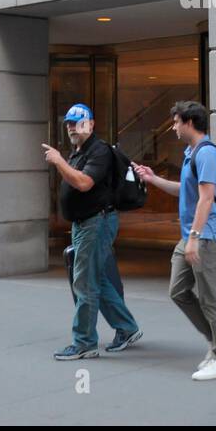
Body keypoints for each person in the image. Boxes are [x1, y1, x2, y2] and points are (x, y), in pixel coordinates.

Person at [133, 100, 216, 381]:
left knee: (212, 297)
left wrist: (194, 238)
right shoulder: (192, 152)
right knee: (178, 291)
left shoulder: (207, 154)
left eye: (177, 122)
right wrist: (153, 179)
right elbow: (186, 191)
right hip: (192, 235)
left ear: (190, 122)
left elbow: (206, 198)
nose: (174, 127)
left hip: (207, 236)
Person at [42, 104, 141, 360]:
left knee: (84, 282)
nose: (72, 127)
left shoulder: (99, 151)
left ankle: (84, 342)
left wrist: (59, 161)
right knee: (98, 280)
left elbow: (84, 183)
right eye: (68, 123)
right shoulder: (79, 151)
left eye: (77, 122)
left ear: (91, 124)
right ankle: (127, 328)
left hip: (97, 223)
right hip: (84, 224)